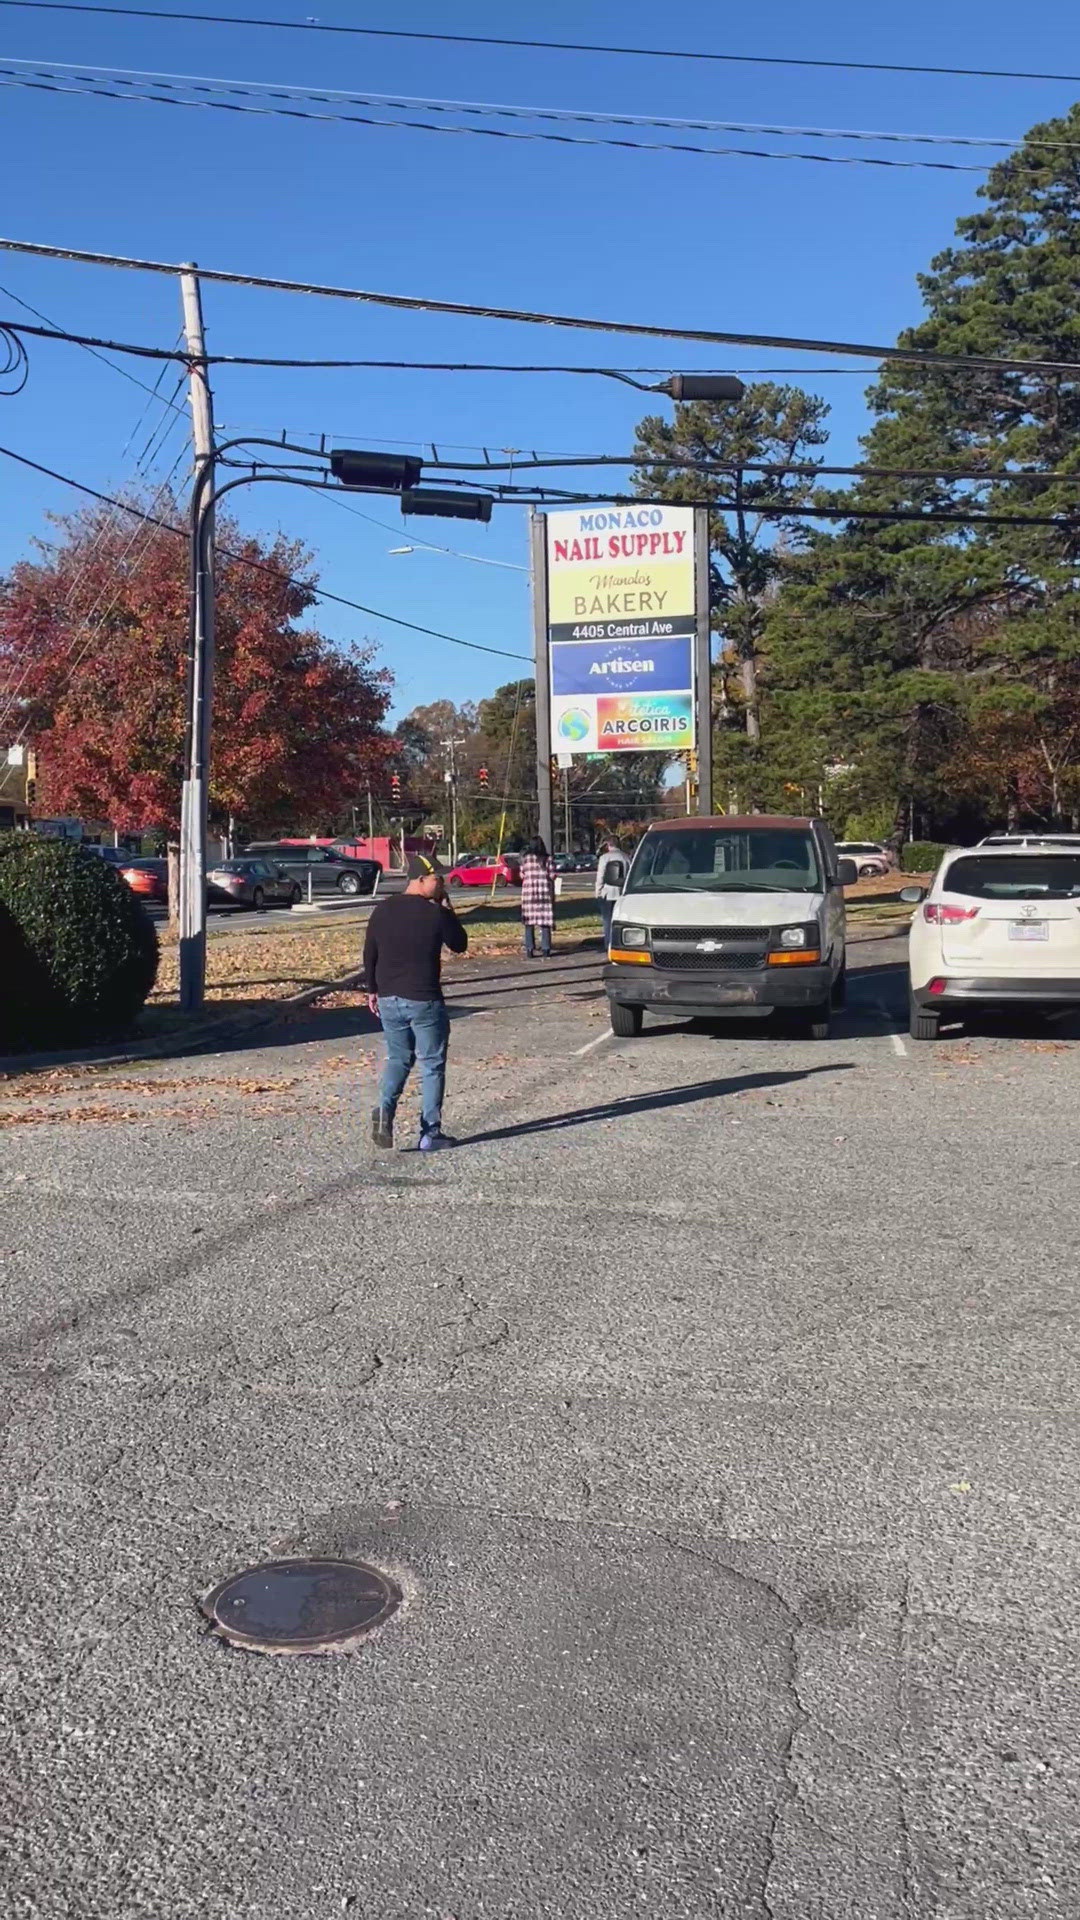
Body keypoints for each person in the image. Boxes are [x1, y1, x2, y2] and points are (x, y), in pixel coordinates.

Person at [363, 851, 467, 1152]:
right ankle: (430, 1133)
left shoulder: (382, 910)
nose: (442, 884)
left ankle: (385, 1110)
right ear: (420, 880)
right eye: (437, 879)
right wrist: (447, 910)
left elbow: (370, 953)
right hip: (424, 1000)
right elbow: (459, 944)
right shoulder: (434, 913)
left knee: (398, 1058)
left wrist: (372, 990)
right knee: (432, 1064)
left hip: (388, 999)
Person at [519, 835, 556, 958]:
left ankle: (530, 949)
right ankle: (546, 949)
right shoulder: (547, 859)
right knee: (545, 921)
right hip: (544, 893)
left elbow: (521, 875)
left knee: (529, 922)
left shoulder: (526, 859)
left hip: (529, 894)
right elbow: (553, 875)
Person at [595, 839, 627, 949]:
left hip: (607, 893)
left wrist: (598, 892)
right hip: (622, 894)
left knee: (607, 920)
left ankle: (608, 944)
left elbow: (601, 876)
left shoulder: (604, 858)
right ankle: (619, 944)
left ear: (608, 845)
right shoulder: (626, 857)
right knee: (620, 920)